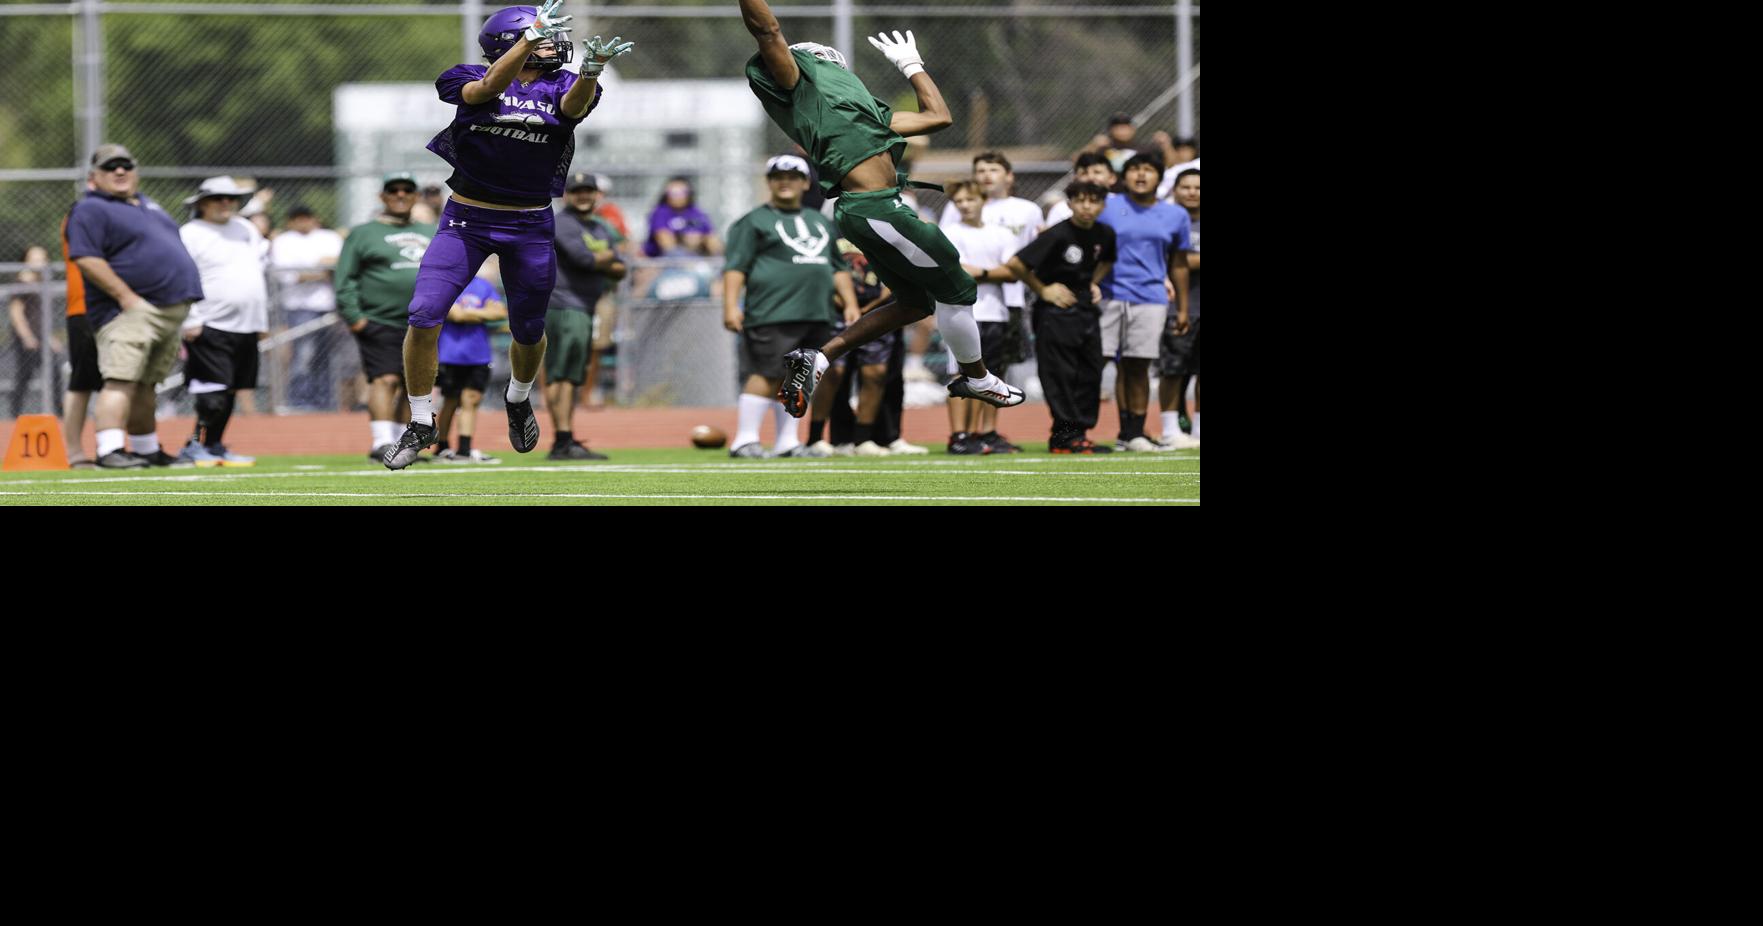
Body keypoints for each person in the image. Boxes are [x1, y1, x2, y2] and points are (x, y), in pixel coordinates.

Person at [737, 0, 1026, 424]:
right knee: (958, 285)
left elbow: (938, 117)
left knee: (914, 304)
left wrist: (912, 65)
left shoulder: (864, 109)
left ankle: (820, 356)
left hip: (873, 209)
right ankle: (975, 376)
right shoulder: (804, 90)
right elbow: (768, 32)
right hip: (875, 207)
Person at [382, 1, 636, 469]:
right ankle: (420, 421)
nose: (555, 43)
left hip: (530, 224)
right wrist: (525, 43)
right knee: (423, 313)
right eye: (542, 35)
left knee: (529, 328)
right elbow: (482, 92)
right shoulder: (461, 74)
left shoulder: (563, 81)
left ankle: (518, 398)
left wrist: (592, 71)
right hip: (466, 220)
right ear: (511, 40)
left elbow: (573, 109)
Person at [64, 143, 205, 469]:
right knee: (121, 380)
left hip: (167, 311)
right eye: (110, 166)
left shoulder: (147, 205)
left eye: (126, 165)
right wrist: (127, 297)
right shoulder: (91, 209)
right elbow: (85, 257)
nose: (120, 171)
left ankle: (145, 449)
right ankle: (109, 449)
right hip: (129, 311)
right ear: (93, 177)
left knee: (145, 385)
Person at [721, 153, 857, 458]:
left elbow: (837, 268)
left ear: (805, 182)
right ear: (769, 182)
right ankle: (745, 440)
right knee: (765, 372)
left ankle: (787, 442)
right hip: (772, 312)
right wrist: (730, 306)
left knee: (798, 379)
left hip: (817, 312)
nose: (786, 183)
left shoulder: (819, 221)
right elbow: (735, 267)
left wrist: (849, 303)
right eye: (778, 177)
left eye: (793, 177)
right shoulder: (754, 220)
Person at [937, 152, 1040, 453]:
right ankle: (959, 435)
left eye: (971, 200)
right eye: (960, 202)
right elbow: (953, 268)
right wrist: (988, 273)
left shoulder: (999, 233)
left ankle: (985, 433)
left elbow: (1012, 269)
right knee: (960, 372)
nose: (965, 206)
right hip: (961, 311)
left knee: (993, 374)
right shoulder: (950, 232)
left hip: (996, 311)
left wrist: (979, 273)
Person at [1006, 181, 1116, 454]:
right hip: (1055, 312)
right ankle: (1065, 435)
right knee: (1060, 375)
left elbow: (1108, 260)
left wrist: (1093, 282)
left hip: (1086, 309)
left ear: (1102, 205)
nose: (1086, 207)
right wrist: (1043, 290)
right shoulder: (1058, 234)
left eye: (1093, 201)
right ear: (1069, 204)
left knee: (1089, 372)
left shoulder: (1105, 233)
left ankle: (1078, 434)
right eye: (1080, 200)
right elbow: (1016, 263)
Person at [336, 172, 437, 460]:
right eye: (394, 190)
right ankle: (381, 441)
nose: (401, 195)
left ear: (416, 196)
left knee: (413, 384)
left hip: (422, 322)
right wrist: (355, 317)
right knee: (385, 379)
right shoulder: (363, 232)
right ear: (383, 196)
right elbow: (345, 278)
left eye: (407, 190)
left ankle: (402, 441)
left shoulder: (432, 230)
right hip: (379, 319)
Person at [1099, 152, 1190, 452]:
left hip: (1151, 299)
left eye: (1148, 170)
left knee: (1137, 366)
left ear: (1159, 177)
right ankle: (1073, 431)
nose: (1140, 175)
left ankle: (1133, 432)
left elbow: (1178, 263)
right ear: (1123, 177)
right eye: (1134, 169)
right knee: (1101, 365)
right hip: (1108, 297)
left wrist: (1183, 309)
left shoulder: (1176, 215)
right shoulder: (1108, 206)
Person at [176, 176, 269, 466]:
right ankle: (193, 445)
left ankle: (214, 445)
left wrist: (260, 319)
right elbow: (181, 276)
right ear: (202, 203)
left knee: (230, 390)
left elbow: (258, 264)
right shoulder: (190, 233)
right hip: (209, 323)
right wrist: (190, 318)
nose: (225, 203)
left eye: (231, 198)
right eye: (218, 198)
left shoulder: (245, 228)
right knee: (211, 393)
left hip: (247, 324)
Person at [546, 170, 625, 460]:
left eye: (587, 190)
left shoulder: (599, 226)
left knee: (572, 374)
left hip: (584, 304)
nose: (582, 195)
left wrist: (603, 261)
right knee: (563, 374)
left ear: (596, 194)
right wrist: (607, 260)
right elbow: (583, 259)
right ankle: (562, 440)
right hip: (564, 305)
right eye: (576, 190)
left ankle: (565, 439)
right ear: (567, 194)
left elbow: (622, 267)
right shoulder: (563, 223)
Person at [269, 204, 346, 411]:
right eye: (298, 218)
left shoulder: (328, 237)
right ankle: (300, 401)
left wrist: (316, 271)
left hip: (328, 305)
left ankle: (324, 402)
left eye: (307, 217)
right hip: (299, 306)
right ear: (290, 221)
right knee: (303, 356)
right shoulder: (284, 241)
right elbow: (288, 275)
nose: (304, 222)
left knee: (327, 357)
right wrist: (321, 270)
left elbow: (339, 263)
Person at [434, 260, 507, 463]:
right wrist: (483, 313)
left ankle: (464, 450)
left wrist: (469, 314)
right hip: (451, 354)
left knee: (471, 400)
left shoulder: (482, 285)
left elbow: (500, 312)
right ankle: (442, 447)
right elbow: (454, 315)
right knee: (450, 400)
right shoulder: (446, 285)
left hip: (478, 354)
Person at [1158, 167, 1201, 448]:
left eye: (1198, 188)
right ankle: (1170, 430)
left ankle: (1198, 431)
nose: (1192, 192)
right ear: (1175, 190)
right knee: (1172, 369)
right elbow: (1169, 261)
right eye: (1186, 187)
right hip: (1176, 306)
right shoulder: (1165, 220)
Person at [59, 191, 101, 468]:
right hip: (84, 310)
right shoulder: (80, 216)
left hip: (118, 311)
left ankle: (118, 448)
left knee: (125, 381)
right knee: (82, 382)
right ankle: (74, 452)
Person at [7, 247, 61, 419]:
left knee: (55, 372)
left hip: (41, 337)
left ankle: (60, 413)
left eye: (42, 259)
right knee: (24, 376)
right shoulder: (21, 283)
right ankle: (14, 414)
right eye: (35, 259)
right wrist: (27, 336)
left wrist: (50, 338)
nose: (39, 263)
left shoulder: (42, 284)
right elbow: (16, 313)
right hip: (28, 339)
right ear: (26, 261)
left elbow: (42, 317)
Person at [643, 176, 722, 257]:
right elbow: (665, 242)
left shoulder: (696, 212)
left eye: (681, 192)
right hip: (665, 259)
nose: (677, 197)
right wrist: (683, 240)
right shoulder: (660, 212)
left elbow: (710, 237)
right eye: (673, 193)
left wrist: (700, 240)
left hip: (698, 256)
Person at [1044, 153, 1119, 226]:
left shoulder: (1124, 205)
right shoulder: (1061, 209)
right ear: (1075, 178)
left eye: (1097, 172)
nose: (1091, 177)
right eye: (1084, 173)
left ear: (1112, 177)